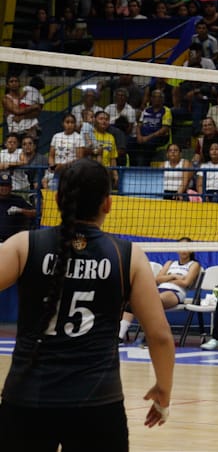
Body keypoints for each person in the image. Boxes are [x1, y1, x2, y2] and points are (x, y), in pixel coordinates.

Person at [0, 159, 174, 449]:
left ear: (57, 199)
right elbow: (160, 336)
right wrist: (164, 389)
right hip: (97, 404)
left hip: (26, 401)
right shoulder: (128, 256)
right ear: (107, 204)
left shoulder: (23, 245)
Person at [118, 237, 202, 344]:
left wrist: (167, 277)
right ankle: (119, 336)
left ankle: (152, 336)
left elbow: (186, 283)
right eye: (181, 247)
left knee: (155, 301)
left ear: (191, 250)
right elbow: (157, 279)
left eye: (186, 247)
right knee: (132, 301)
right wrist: (175, 276)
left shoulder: (194, 265)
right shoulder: (170, 263)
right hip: (159, 289)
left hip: (175, 293)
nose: (183, 250)